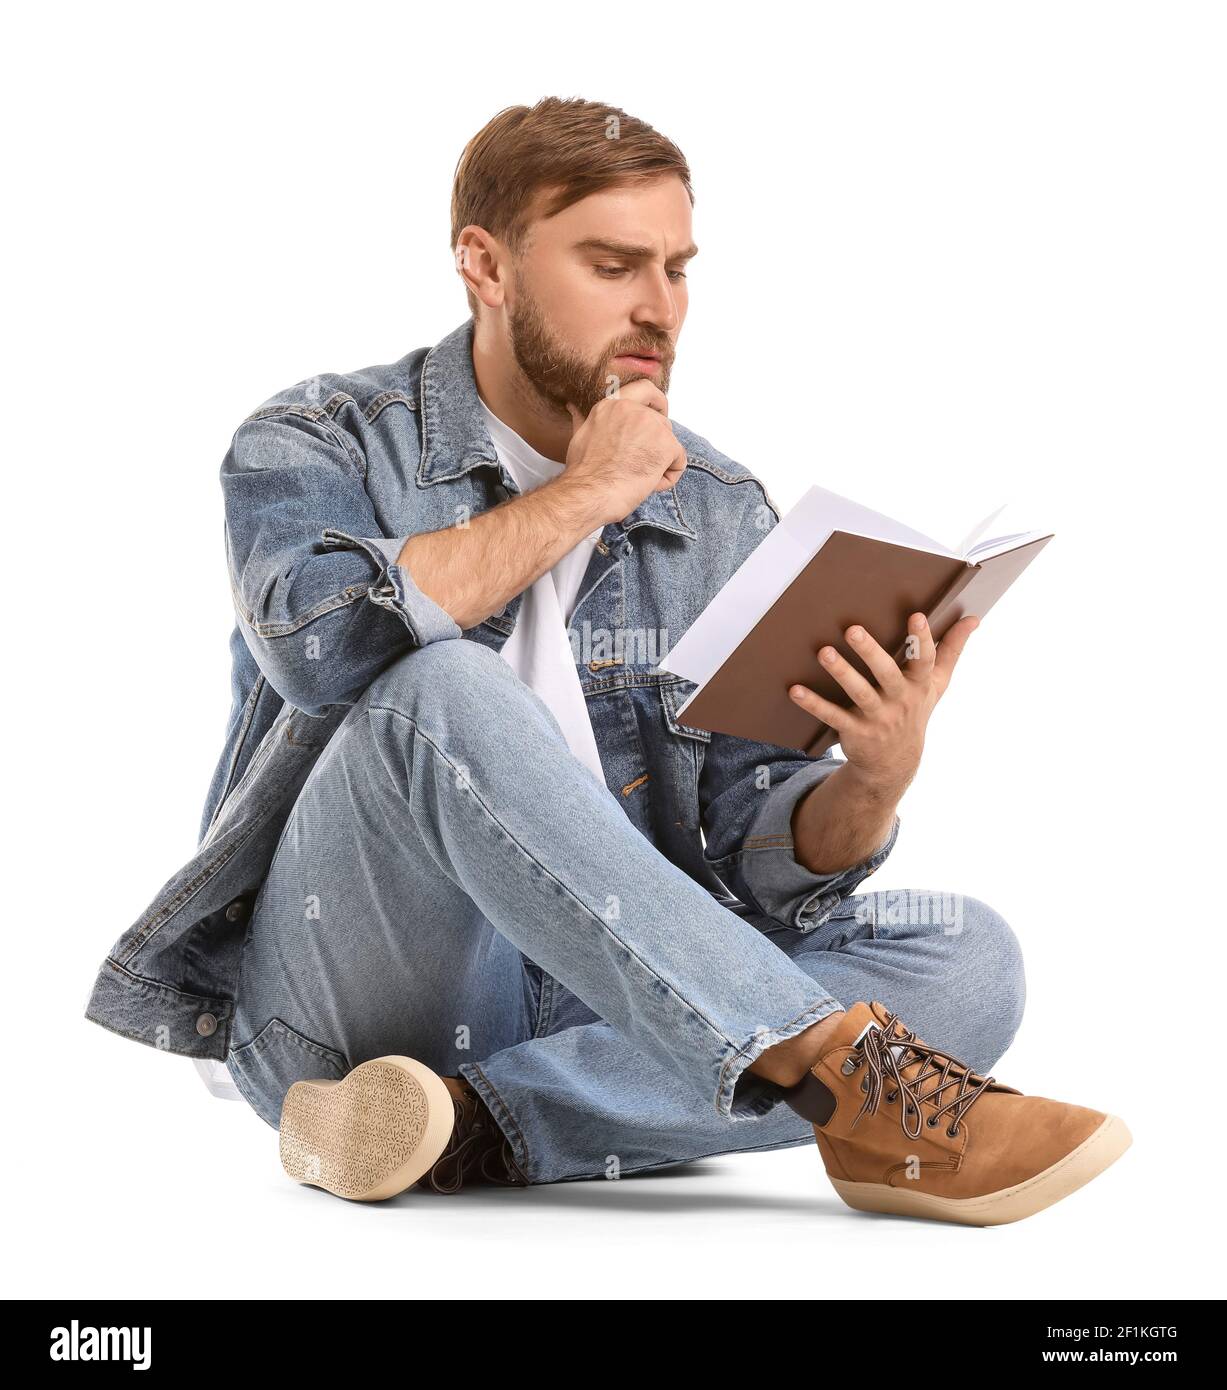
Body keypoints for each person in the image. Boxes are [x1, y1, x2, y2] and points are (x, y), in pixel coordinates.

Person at [85, 97, 1129, 1225]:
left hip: (613, 994)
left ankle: (466, 1121)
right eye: (613, 264)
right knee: (443, 686)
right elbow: (323, 651)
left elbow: (743, 850)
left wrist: (871, 782)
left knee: (967, 954)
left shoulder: (719, 508)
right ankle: (835, 1077)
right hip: (359, 986)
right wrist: (588, 492)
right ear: (485, 265)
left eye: (678, 269)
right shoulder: (315, 439)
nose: (658, 309)